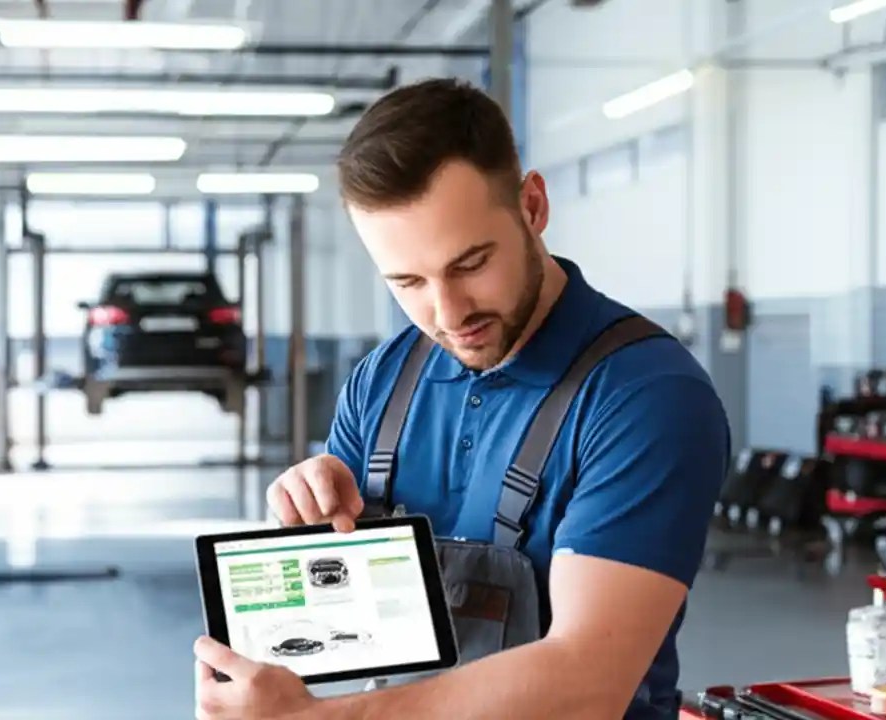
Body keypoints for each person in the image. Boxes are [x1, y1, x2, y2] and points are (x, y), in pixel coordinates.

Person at [193, 77, 731, 720]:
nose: (448, 313)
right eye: (409, 281)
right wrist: (311, 508)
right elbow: (340, 615)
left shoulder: (645, 398)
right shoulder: (382, 382)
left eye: (471, 264)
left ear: (532, 205)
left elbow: (588, 682)